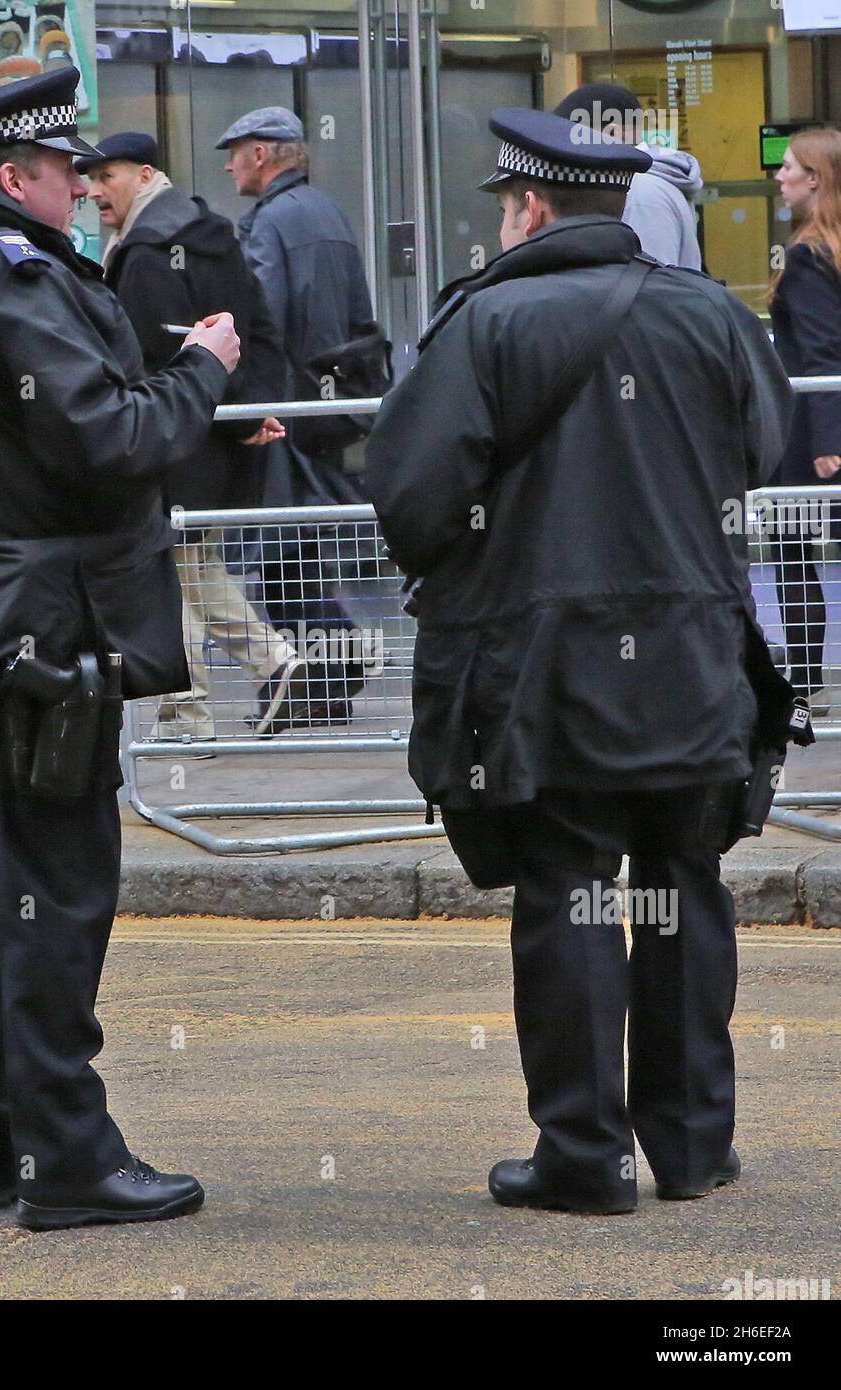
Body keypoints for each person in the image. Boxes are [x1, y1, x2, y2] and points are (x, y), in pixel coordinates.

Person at [367, 108, 798, 1215]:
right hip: (696, 655)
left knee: (571, 893)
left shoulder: (482, 323)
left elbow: (411, 498)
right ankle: (695, 1145)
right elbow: (762, 450)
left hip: (543, 666)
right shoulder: (709, 313)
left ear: (529, 207)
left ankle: (584, 1153)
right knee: (685, 885)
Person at [0, 69, 240, 1230]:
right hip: (43, 627)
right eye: (68, 175)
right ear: (17, 178)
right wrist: (203, 371)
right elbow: (104, 437)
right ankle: (68, 1158)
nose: (83, 194)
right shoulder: (11, 272)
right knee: (53, 896)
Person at [75, 131, 311, 742]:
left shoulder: (148, 250)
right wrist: (248, 412)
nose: (95, 192)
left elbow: (151, 356)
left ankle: (188, 715)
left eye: (109, 178)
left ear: (146, 174)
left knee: (170, 569)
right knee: (192, 564)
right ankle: (276, 665)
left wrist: (240, 416)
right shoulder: (208, 231)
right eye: (91, 180)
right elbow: (252, 324)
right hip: (213, 432)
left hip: (176, 434)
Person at [218, 106, 377, 720]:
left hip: (283, 407)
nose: (229, 163)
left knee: (280, 552)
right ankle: (324, 683)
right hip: (327, 406)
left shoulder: (270, 222)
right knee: (298, 548)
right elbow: (361, 317)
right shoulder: (330, 215)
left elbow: (263, 322)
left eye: (235, 150)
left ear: (263, 154)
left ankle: (316, 675)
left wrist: (245, 404)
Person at [769, 127, 841, 704]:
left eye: (788, 167)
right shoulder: (828, 249)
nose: (779, 176)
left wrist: (826, 439)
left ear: (814, 179)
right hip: (822, 423)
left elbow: (821, 353)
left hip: (810, 429)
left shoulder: (808, 255)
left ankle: (802, 672)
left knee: (791, 547)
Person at [554, 83, 704, 271]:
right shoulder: (644, 182)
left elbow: (649, 285)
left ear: (612, 133)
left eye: (575, 136)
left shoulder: (640, 189)